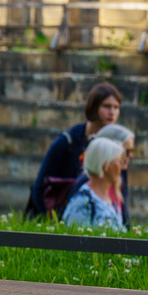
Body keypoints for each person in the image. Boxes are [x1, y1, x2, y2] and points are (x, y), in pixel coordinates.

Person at [25, 82, 122, 219]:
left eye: (116, 107)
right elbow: (40, 188)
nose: (112, 113)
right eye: (106, 106)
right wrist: (54, 225)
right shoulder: (67, 142)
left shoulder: (115, 147)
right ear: (93, 108)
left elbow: (121, 191)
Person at [67, 123, 134, 227]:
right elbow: (76, 238)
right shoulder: (83, 200)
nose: (121, 166)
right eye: (118, 160)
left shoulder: (113, 196)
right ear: (105, 165)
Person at [61, 137, 127, 232]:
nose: (121, 167)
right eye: (118, 162)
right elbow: (75, 242)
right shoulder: (83, 202)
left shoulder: (110, 201)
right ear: (106, 165)